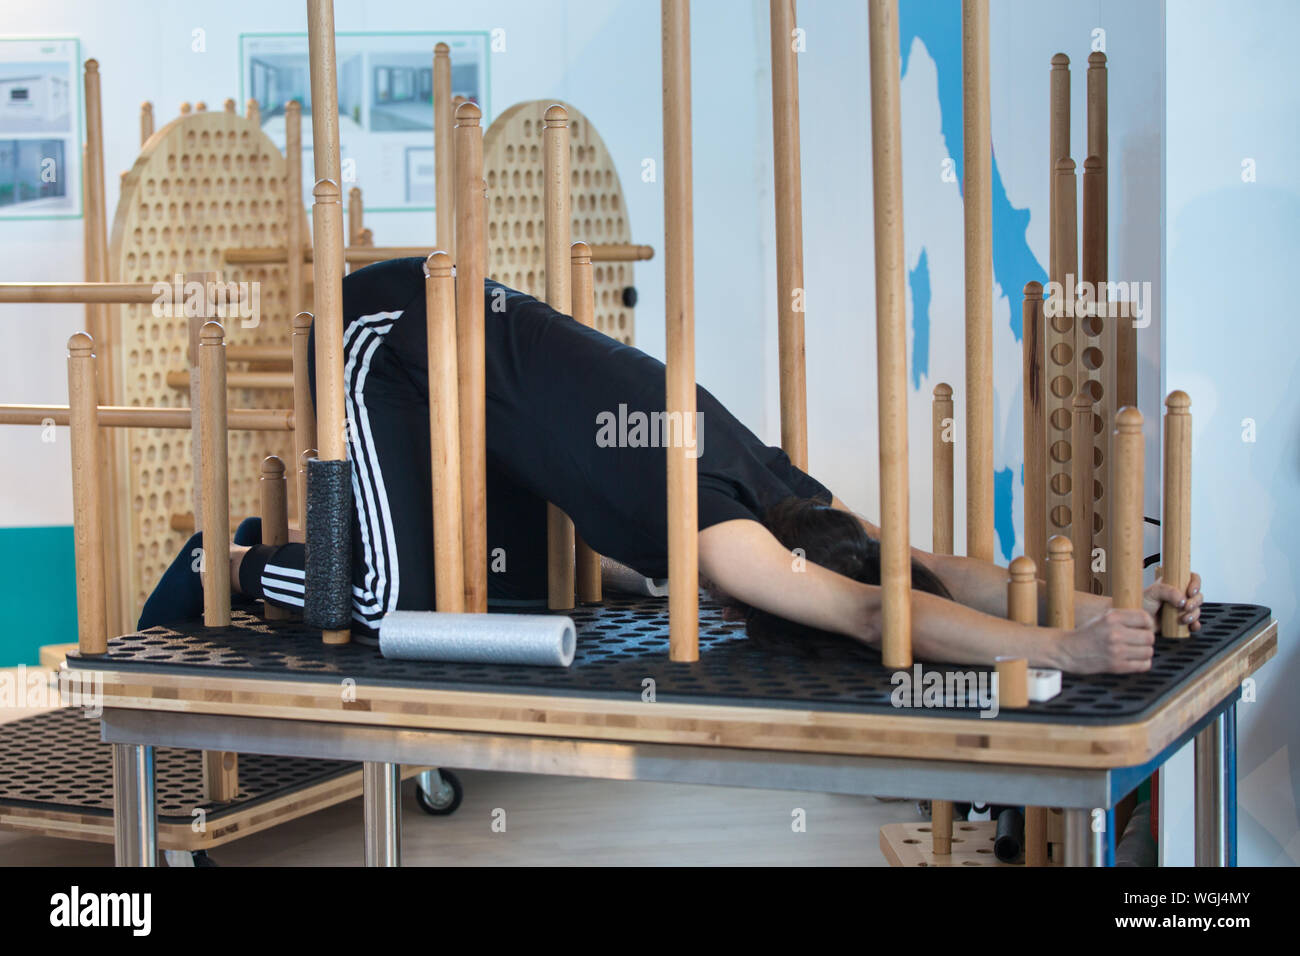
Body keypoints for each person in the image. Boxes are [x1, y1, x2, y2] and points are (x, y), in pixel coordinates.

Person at [139, 258, 1203, 672]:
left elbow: (923, 564)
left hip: (471, 356)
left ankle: (262, 563)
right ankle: (229, 561)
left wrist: (1119, 598)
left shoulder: (791, 492)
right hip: (388, 329)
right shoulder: (733, 531)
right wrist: (1067, 641)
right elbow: (882, 612)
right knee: (385, 604)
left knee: (502, 589)